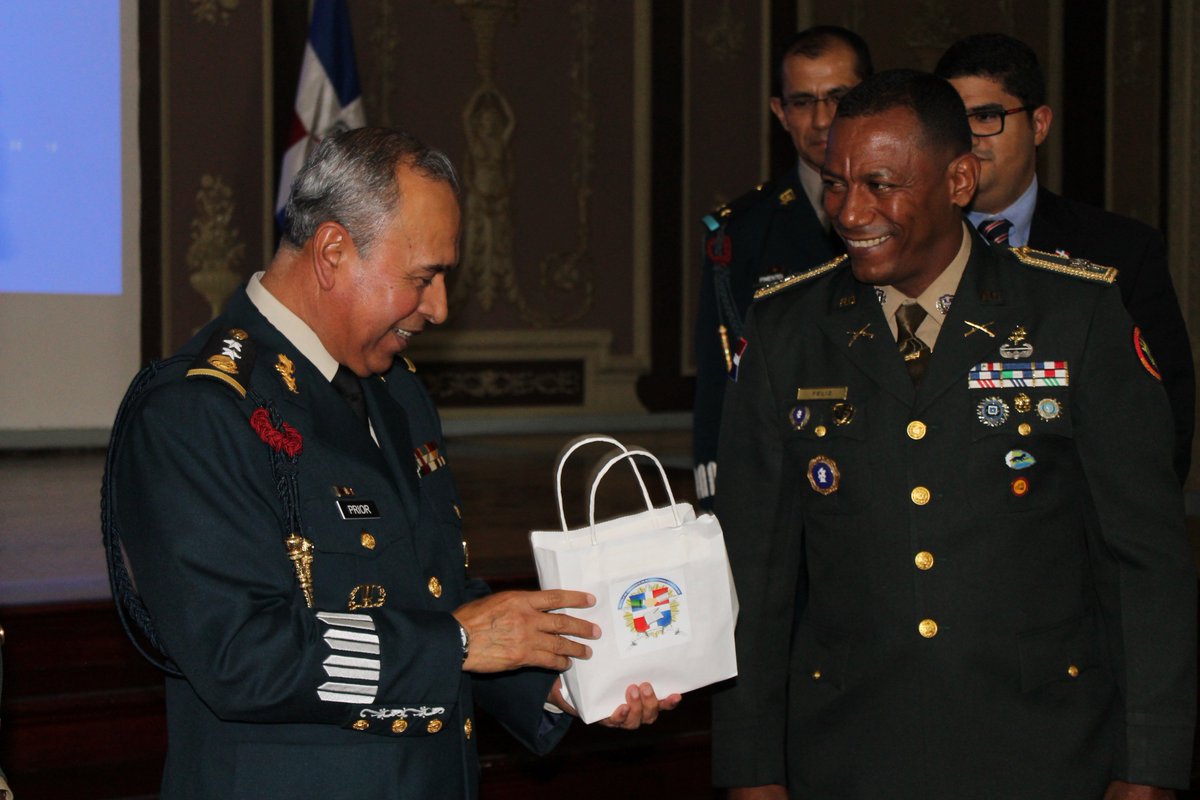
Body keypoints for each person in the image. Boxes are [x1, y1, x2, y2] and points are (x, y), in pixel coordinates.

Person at [104, 128, 678, 799]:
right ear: (333, 253)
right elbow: (240, 655)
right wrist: (458, 644)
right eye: (422, 277)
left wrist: (559, 683)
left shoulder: (394, 390)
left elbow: (431, 593)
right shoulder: (197, 409)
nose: (438, 307)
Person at [709, 69, 1196, 799]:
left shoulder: (1075, 315)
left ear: (959, 180)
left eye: (880, 184)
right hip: (850, 756)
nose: (850, 211)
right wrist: (750, 773)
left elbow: (1144, 564)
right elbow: (753, 572)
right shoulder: (786, 329)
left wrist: (1149, 765)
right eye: (835, 184)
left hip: (1045, 754)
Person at [934, 33, 1195, 484]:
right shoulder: (910, 249)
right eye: (955, 122)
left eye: (987, 117)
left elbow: (1161, 419)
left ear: (1039, 124)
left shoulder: (1121, 252)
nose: (970, 138)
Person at [693, 25, 872, 509]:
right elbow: (720, 380)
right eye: (802, 102)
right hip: (784, 481)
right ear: (780, 112)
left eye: (839, 98)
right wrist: (717, 502)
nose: (822, 120)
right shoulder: (741, 231)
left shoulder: (912, 211)